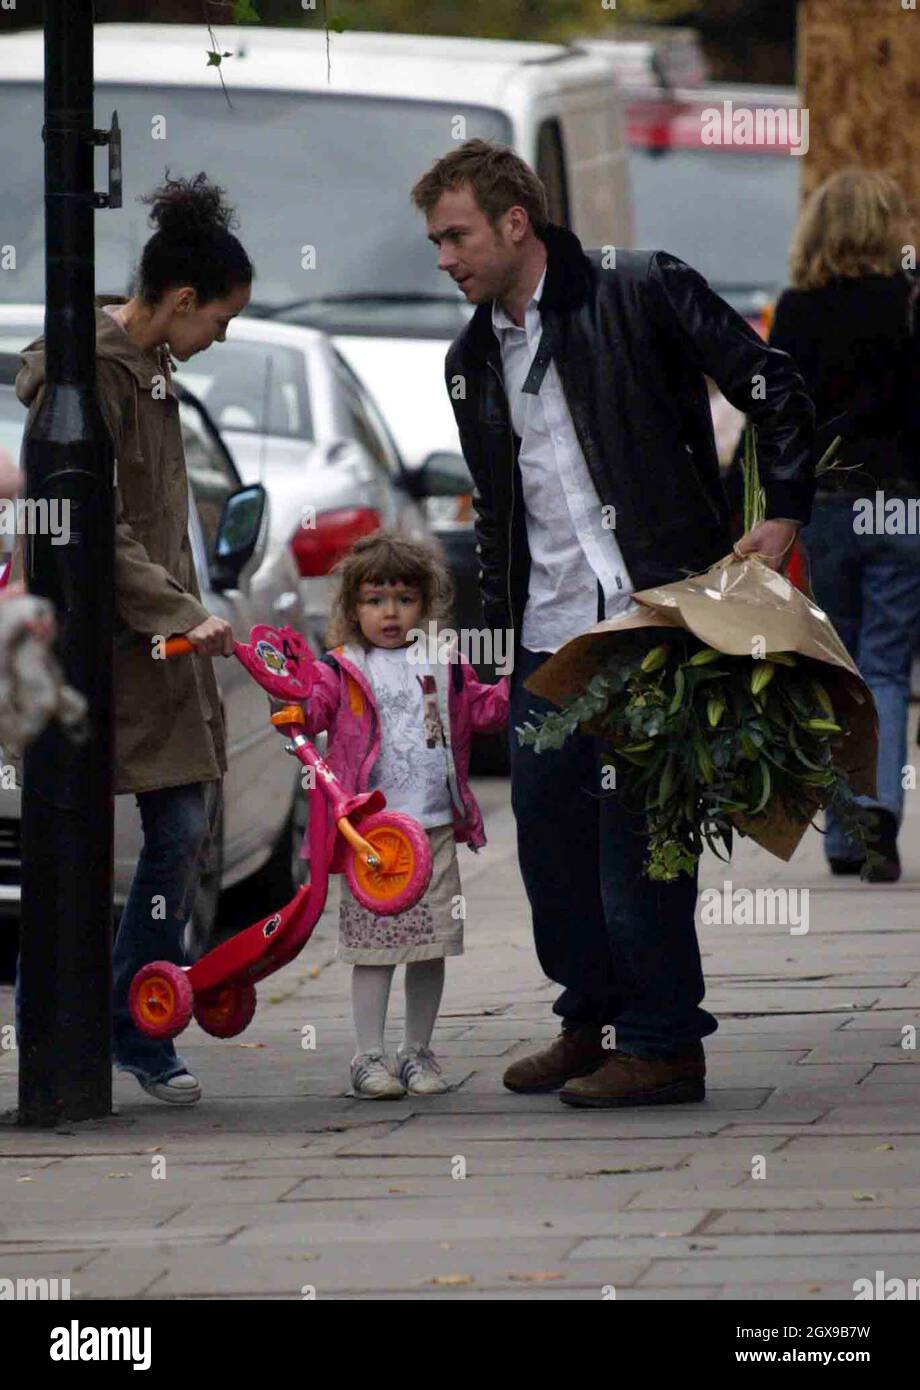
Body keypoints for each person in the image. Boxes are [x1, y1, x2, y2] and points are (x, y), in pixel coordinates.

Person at [411, 139, 815, 1109]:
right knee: (547, 844)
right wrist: (492, 649)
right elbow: (501, 511)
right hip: (550, 636)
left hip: (653, 617)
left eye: (455, 234)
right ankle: (587, 1019)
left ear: (516, 223)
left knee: (637, 840)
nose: (443, 258)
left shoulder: (638, 290)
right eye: (433, 240)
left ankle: (663, 1041)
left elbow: (770, 385)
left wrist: (782, 508)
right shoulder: (470, 357)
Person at [13, 172, 253, 1104]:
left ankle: (134, 1019)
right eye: (219, 321)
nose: (218, 339)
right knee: (62, 844)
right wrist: (181, 611)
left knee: (182, 829)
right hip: (96, 645)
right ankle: (75, 1029)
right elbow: (95, 525)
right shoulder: (92, 377)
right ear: (181, 301)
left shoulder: (152, 373)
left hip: (157, 651)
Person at [290, 533, 508, 1098]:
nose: (390, 612)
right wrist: (288, 696)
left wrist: (526, 686)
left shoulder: (443, 661)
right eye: (374, 600)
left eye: (405, 599)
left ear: (427, 604)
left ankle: (417, 1052)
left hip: (432, 826)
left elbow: (481, 708)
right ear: (351, 608)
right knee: (374, 949)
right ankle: (368, 1057)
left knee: (429, 945)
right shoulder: (340, 668)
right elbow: (312, 709)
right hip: (373, 837)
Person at [767, 169, 920, 883]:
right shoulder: (909, 304)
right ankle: (880, 812)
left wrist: (770, 501)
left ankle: (842, 831)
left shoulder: (798, 309)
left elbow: (785, 416)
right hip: (901, 501)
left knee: (838, 663)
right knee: (887, 664)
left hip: (828, 501)